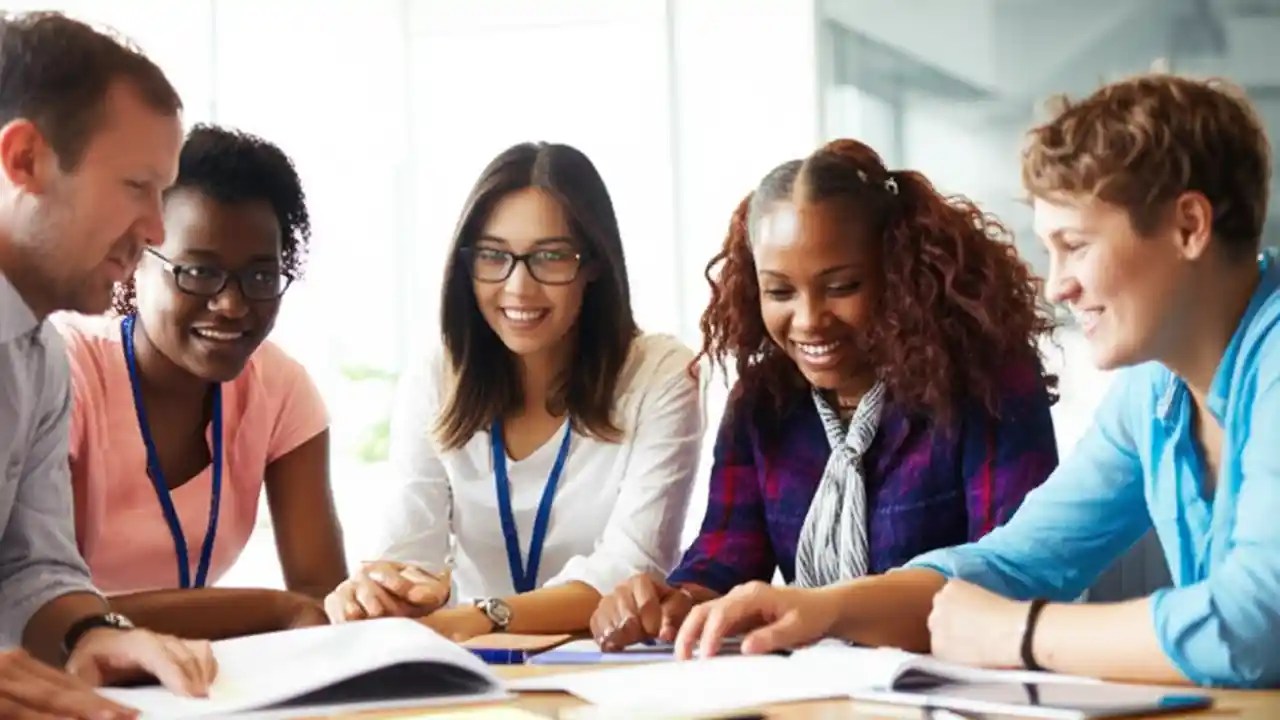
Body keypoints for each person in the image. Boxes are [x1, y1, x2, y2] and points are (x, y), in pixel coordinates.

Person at [673, 74, 1280, 689]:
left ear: (1188, 227)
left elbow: (1252, 627)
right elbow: (1013, 561)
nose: (1057, 286)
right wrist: (827, 609)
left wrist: (1019, 633)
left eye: (1075, 245)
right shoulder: (1153, 389)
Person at [590, 139, 1060, 649]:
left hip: (954, 677)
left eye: (841, 287)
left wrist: (838, 612)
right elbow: (725, 558)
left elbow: (1012, 573)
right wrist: (670, 604)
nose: (809, 320)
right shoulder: (763, 401)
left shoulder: (985, 384)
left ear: (899, 273)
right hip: (818, 681)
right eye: (780, 291)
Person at [323, 142, 703, 641]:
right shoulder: (438, 374)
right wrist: (377, 592)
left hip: (602, 663)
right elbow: (408, 553)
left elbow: (630, 569)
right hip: (471, 661)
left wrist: (477, 617)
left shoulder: (661, 375)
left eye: (550, 257)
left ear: (594, 264)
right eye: (493, 256)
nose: (518, 286)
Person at [0, 11, 215, 718]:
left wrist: (95, 633)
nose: (155, 229)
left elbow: (31, 568)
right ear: (24, 160)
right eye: (136, 186)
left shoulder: (38, 357)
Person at [51, 124, 344, 637]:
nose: (231, 304)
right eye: (198, 272)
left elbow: (322, 601)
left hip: (187, 673)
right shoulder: (65, 373)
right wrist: (273, 609)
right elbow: (43, 613)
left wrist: (293, 609)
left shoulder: (279, 390)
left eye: (260, 276)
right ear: (133, 259)